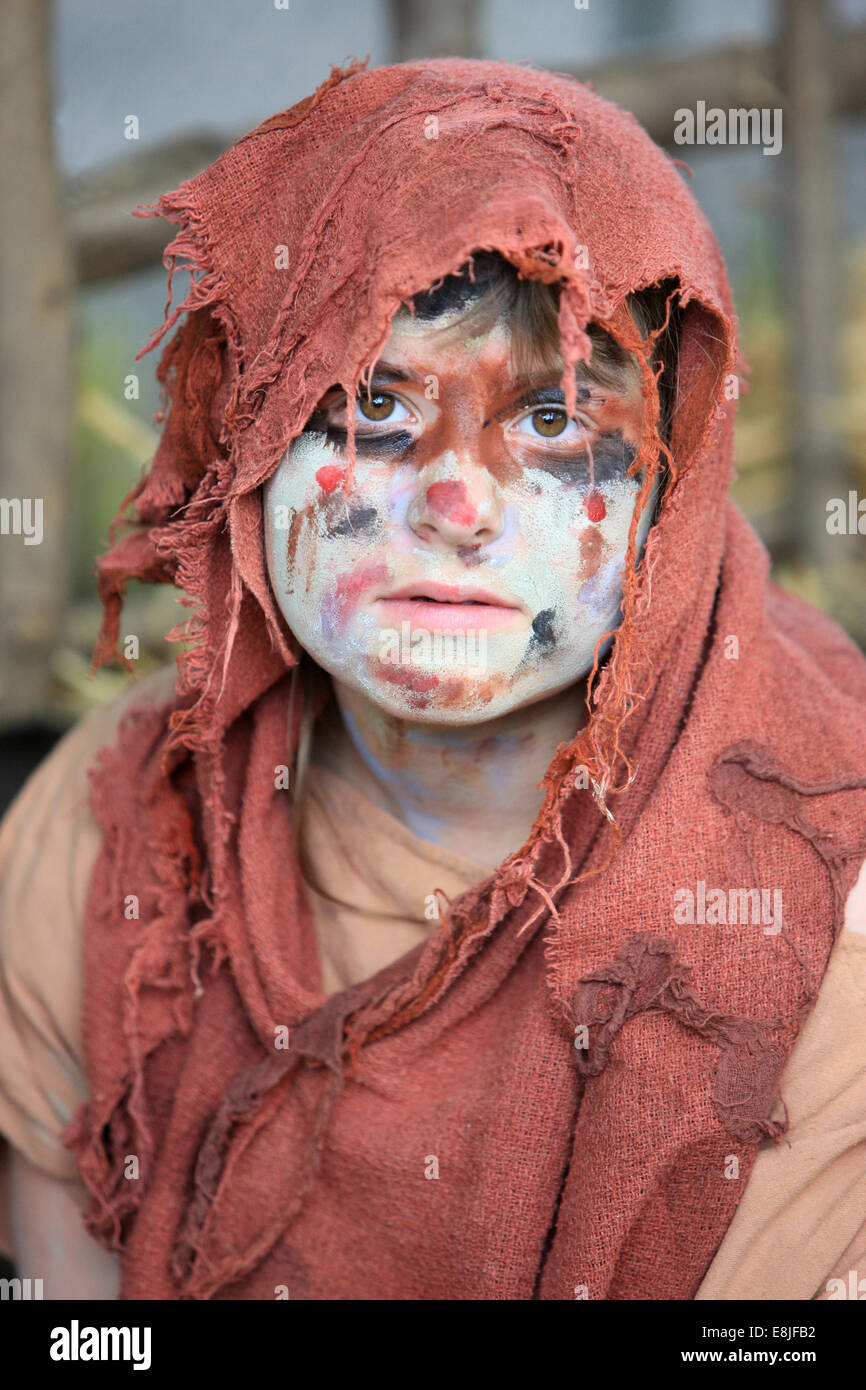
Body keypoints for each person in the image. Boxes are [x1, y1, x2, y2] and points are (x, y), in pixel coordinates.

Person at [1, 56, 866, 1302]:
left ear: (673, 485)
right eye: (369, 405)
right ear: (247, 445)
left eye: (553, 421)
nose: (457, 504)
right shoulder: (118, 828)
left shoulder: (816, 904)